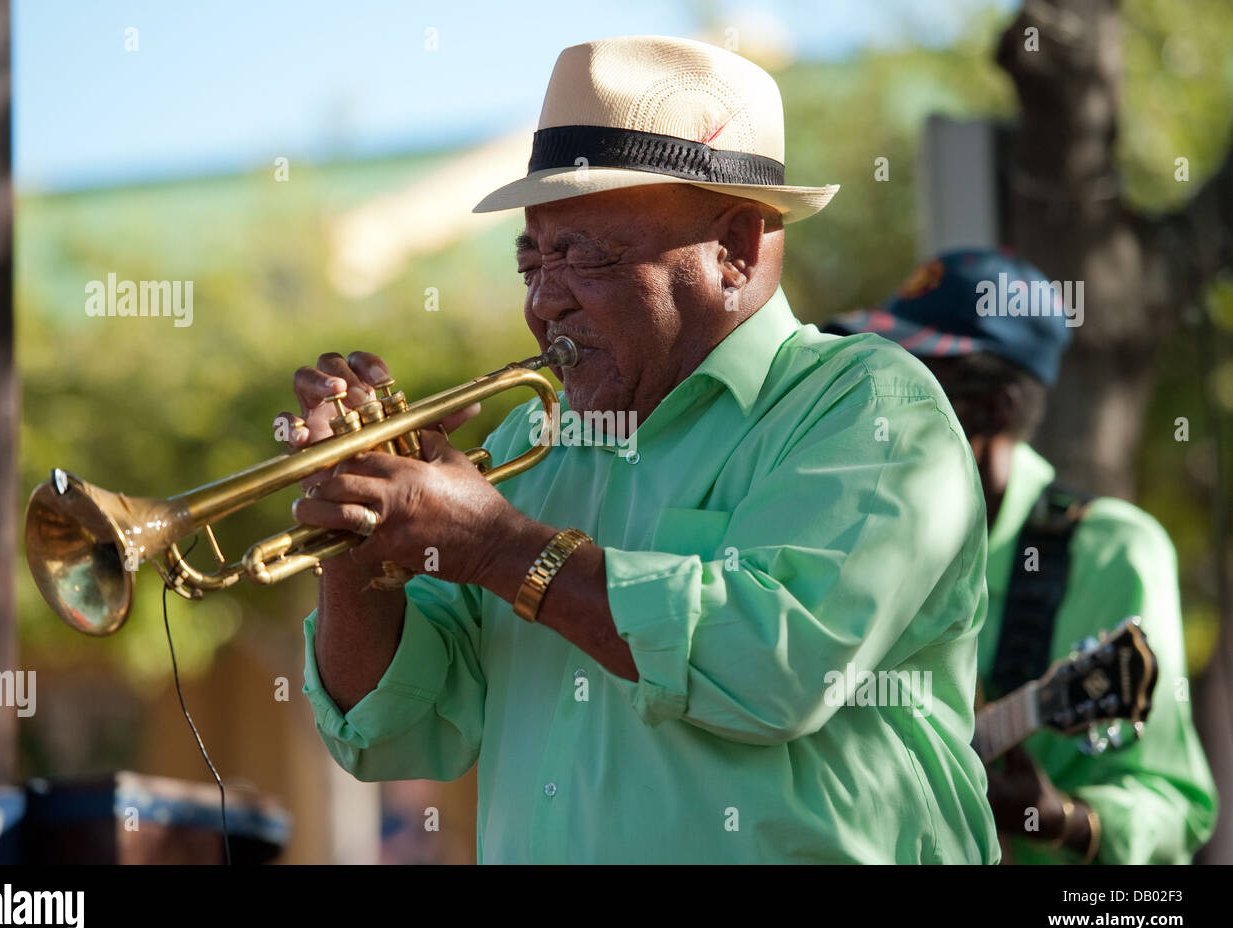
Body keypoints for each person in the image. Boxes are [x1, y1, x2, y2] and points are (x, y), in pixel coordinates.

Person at [281, 35, 1000, 863]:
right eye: (532, 262)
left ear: (735, 246)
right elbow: (397, 735)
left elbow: (776, 670)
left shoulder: (870, 404)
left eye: (586, 258)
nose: (546, 304)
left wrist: (492, 543)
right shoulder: (532, 441)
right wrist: (353, 543)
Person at [827, 248, 1218, 863]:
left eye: (908, 384)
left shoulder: (1113, 553)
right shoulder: (846, 523)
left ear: (993, 409)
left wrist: (1062, 818)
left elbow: (1174, 804)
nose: (873, 405)